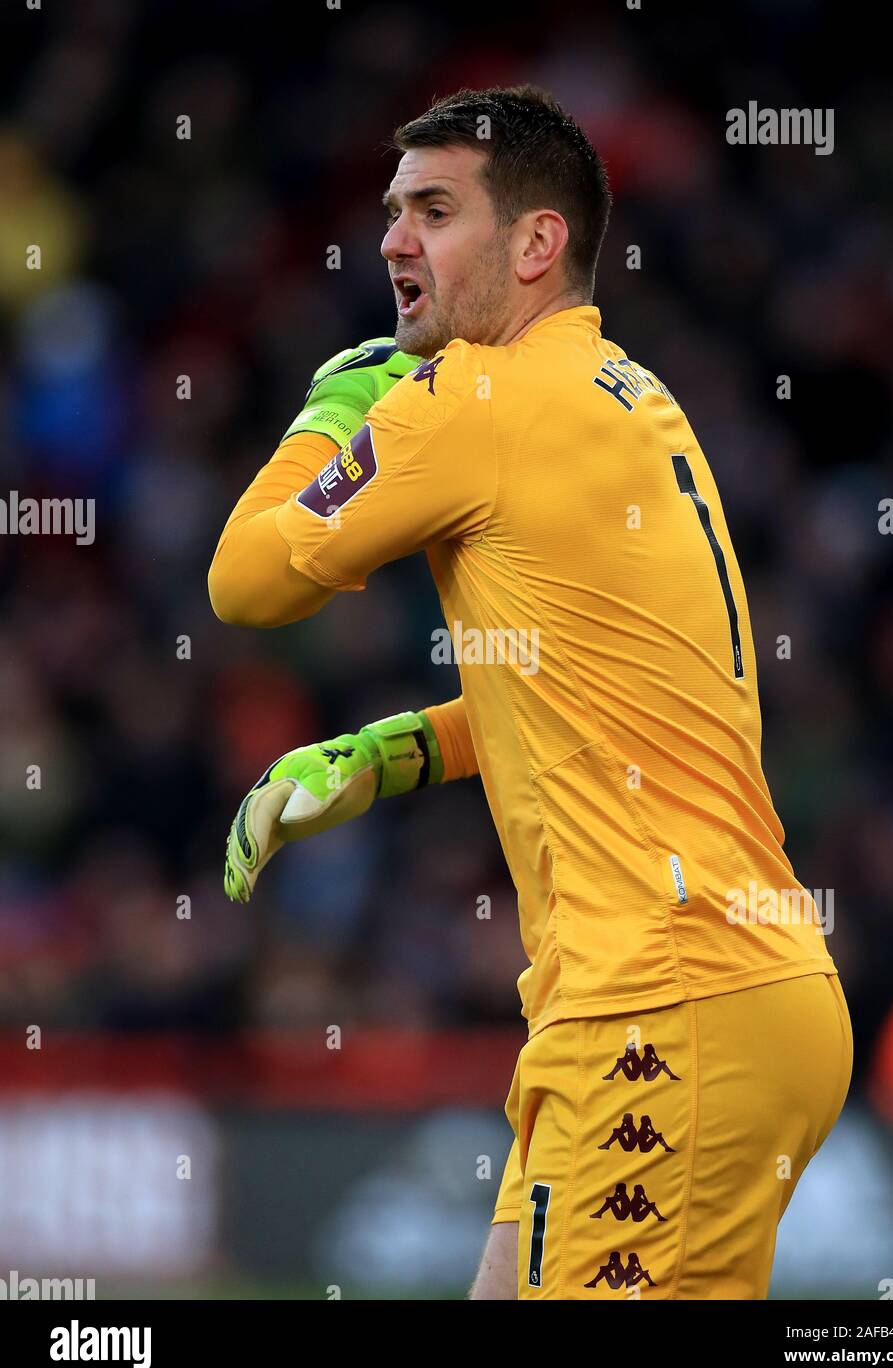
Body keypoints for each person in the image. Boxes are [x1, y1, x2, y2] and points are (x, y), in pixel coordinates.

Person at [208, 84, 853, 1300]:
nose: (395, 239)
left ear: (536, 243)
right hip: (722, 991)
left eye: (435, 210)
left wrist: (336, 410)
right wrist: (384, 753)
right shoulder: (637, 400)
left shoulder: (474, 398)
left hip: (660, 999)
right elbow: (585, 695)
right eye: (394, 211)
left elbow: (246, 581)